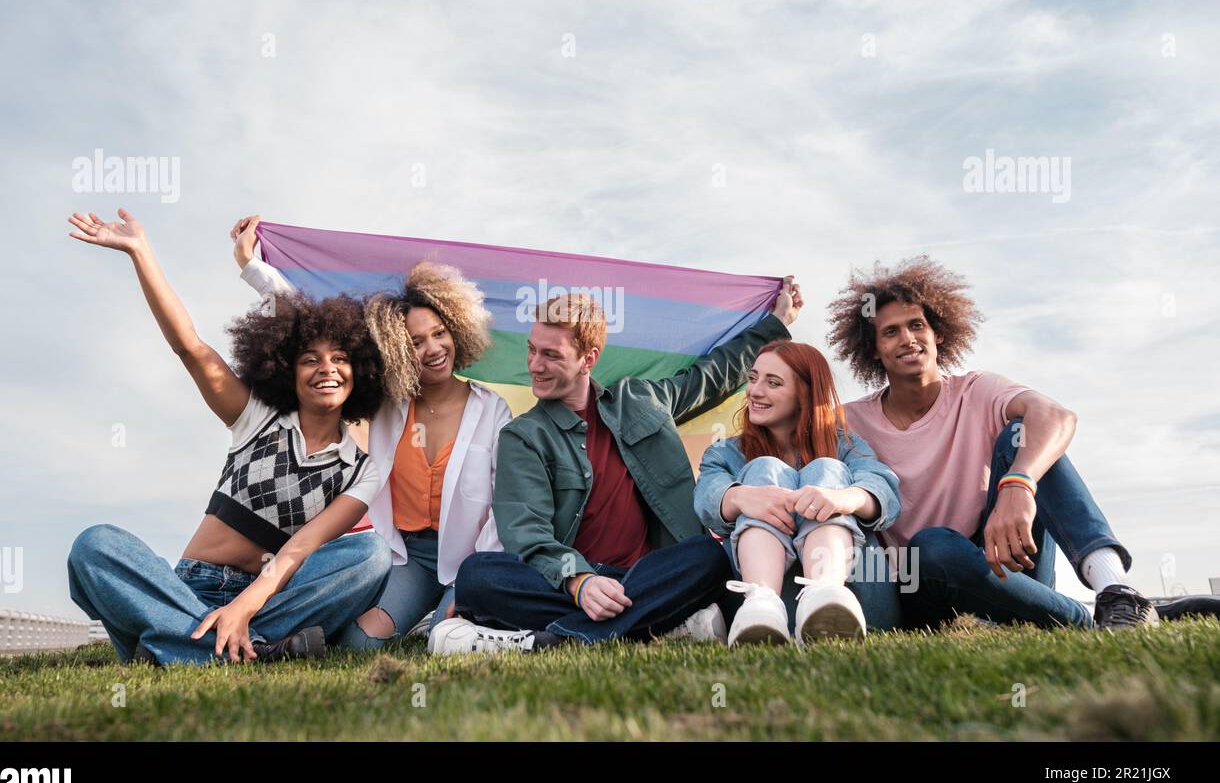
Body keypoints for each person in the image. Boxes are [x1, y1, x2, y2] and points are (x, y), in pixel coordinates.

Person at [66, 209, 392, 665]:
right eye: (309, 359)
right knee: (94, 546)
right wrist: (141, 251)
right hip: (188, 588)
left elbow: (300, 549)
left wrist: (243, 606)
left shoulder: (362, 470)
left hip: (270, 597)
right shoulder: (256, 416)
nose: (326, 369)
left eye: (340, 358)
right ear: (286, 369)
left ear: (360, 373)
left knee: (371, 555)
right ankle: (249, 649)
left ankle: (185, 645)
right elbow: (190, 347)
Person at [430, 278, 803, 653]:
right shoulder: (522, 436)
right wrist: (580, 582)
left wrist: (777, 323)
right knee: (477, 576)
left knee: (707, 556)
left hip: (651, 574)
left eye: (551, 355)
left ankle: (550, 640)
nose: (535, 366)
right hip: (569, 582)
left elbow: (712, 376)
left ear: (588, 359)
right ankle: (660, 624)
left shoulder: (642, 399)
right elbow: (525, 530)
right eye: (532, 351)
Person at [825, 256, 1158, 631]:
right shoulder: (848, 421)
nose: (907, 339)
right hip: (923, 584)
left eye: (917, 325)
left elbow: (1057, 416)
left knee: (1023, 434)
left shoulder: (976, 390)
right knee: (932, 545)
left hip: (1007, 562)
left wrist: (1019, 484)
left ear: (939, 334)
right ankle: (1083, 618)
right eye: (890, 332)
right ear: (873, 350)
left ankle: (1117, 592)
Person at [231, 216, 511, 648]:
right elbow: (312, 325)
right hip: (410, 558)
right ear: (400, 350)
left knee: (448, 640)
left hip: (472, 558)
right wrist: (253, 266)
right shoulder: (386, 403)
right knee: (357, 646)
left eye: (440, 334)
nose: (433, 349)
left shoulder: (493, 410)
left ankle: (434, 619)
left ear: (458, 331)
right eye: (417, 342)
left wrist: (477, 575)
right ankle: (415, 614)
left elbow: (501, 504)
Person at [694, 340, 900, 645]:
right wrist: (741, 497)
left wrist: (839, 499)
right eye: (753, 379)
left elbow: (884, 490)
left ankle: (825, 596)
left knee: (825, 470)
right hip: (765, 609)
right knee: (764, 468)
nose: (755, 391)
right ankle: (762, 601)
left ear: (804, 394)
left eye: (773, 382)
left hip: (855, 599)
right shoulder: (725, 452)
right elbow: (705, 498)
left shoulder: (846, 445)